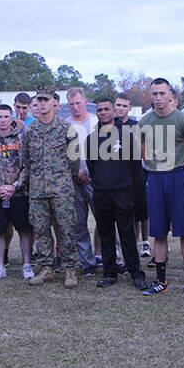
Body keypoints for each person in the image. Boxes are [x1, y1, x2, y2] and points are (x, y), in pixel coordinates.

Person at [138, 79, 184, 295]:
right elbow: (143, 149)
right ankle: (161, 281)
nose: (158, 98)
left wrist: (177, 166)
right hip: (155, 178)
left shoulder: (183, 120)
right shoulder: (145, 121)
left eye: (162, 93)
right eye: (154, 94)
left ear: (170, 95)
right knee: (159, 231)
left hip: (178, 176)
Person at [87, 97, 146, 288]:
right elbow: (92, 166)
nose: (103, 112)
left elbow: (136, 168)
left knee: (127, 234)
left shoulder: (127, 136)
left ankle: (136, 273)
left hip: (123, 193)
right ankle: (109, 273)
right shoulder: (92, 139)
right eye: (99, 110)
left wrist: (136, 196)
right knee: (105, 234)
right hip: (101, 193)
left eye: (106, 109)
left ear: (114, 111)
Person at [23, 86, 79, 287]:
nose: (42, 104)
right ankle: (46, 268)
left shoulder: (66, 129)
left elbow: (74, 161)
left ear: (54, 102)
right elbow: (27, 161)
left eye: (46, 100)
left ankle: (70, 269)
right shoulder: (30, 131)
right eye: (39, 100)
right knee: (41, 230)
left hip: (61, 189)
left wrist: (62, 179)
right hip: (38, 190)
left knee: (66, 229)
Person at [0, 104, 32, 280]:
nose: (3, 120)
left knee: (24, 229)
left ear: (12, 118)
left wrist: (15, 186)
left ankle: (27, 264)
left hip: (19, 193)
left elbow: (27, 166)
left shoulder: (22, 139)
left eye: (6, 117)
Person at [65, 87, 99, 275]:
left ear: (85, 102)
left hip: (96, 178)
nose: (75, 107)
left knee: (104, 219)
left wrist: (89, 171)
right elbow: (64, 154)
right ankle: (86, 262)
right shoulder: (65, 125)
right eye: (72, 104)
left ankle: (112, 258)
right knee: (78, 222)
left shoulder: (96, 122)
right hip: (74, 179)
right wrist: (76, 171)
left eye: (78, 103)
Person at [113, 94, 148, 258]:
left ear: (130, 108)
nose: (120, 108)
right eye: (118, 105)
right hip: (116, 177)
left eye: (124, 106)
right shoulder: (108, 126)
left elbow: (142, 151)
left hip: (134, 176)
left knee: (137, 213)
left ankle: (138, 244)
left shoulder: (136, 126)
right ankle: (120, 247)